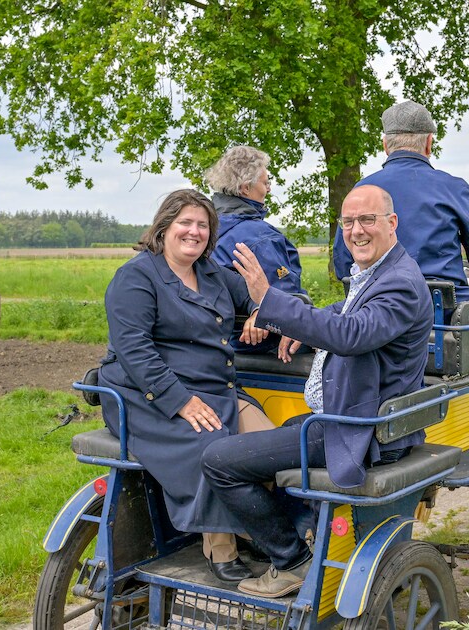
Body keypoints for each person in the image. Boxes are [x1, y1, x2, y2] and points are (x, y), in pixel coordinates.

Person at [205, 185, 433, 598]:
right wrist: (294, 325)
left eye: (367, 220)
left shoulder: (399, 282)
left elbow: (352, 332)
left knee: (219, 460)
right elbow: (346, 312)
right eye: (347, 222)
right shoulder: (385, 270)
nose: (356, 231)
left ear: (392, 223)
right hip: (348, 416)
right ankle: (307, 530)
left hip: (360, 430)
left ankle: (291, 560)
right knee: (278, 433)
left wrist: (268, 300)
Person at [97, 189, 276, 585]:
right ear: (164, 227)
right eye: (186, 223)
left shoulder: (212, 273)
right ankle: (221, 547)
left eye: (203, 225)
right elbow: (135, 350)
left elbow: (261, 297)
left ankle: (265, 532)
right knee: (213, 448)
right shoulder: (137, 277)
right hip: (147, 395)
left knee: (272, 447)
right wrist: (179, 401)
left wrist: (264, 308)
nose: (194, 232)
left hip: (215, 388)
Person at [332, 100, 469, 302]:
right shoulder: (456, 189)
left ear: (386, 145)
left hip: (378, 311)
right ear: (429, 143)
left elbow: (342, 264)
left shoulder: (361, 191)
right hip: (444, 316)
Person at [206, 146, 305, 352]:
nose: (268, 189)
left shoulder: (201, 229)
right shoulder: (262, 238)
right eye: (266, 182)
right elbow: (287, 301)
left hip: (211, 339)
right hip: (254, 345)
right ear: (245, 188)